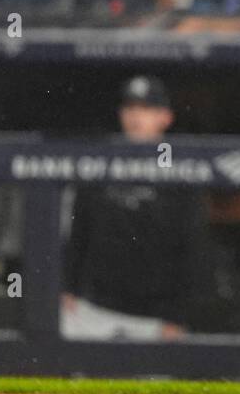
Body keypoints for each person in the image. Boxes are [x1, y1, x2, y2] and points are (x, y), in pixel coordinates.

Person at [62, 76, 216, 338]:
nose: (136, 117)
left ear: (165, 117)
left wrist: (178, 316)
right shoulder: (98, 164)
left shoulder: (184, 170)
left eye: (146, 109)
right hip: (95, 308)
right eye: (131, 109)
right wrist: (68, 288)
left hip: (154, 315)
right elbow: (78, 234)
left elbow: (193, 249)